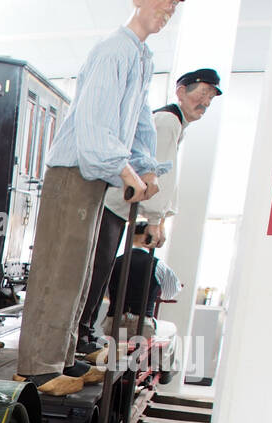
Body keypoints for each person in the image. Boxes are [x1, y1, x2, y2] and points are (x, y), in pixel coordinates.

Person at [14, 0, 178, 396]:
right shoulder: (114, 51)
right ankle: (37, 368)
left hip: (94, 177)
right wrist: (125, 171)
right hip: (74, 171)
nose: (169, 9)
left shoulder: (140, 57)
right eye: (163, 1)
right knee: (59, 271)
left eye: (174, 5)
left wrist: (147, 169)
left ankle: (63, 356)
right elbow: (94, 126)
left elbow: (139, 124)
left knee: (80, 274)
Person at [75, 67, 221, 359]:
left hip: (118, 204)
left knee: (100, 272)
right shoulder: (168, 122)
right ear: (181, 90)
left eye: (210, 97)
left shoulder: (173, 123)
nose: (204, 101)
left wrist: (160, 217)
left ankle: (84, 331)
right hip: (113, 203)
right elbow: (160, 176)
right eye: (201, 93)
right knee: (97, 271)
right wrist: (156, 221)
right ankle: (80, 334)